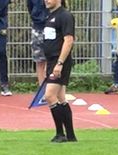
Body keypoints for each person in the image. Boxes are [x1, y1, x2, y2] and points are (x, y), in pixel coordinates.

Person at [41, 0, 79, 142]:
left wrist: (60, 63)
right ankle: (70, 135)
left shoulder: (65, 16)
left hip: (60, 61)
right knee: (61, 98)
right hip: (52, 61)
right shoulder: (50, 16)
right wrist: (48, 63)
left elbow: (68, 40)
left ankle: (60, 133)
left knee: (50, 96)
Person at [28, 0, 51, 83]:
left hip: (52, 25)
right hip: (37, 27)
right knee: (39, 59)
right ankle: (41, 88)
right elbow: (30, 7)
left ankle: (52, 87)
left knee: (52, 58)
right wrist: (36, 17)